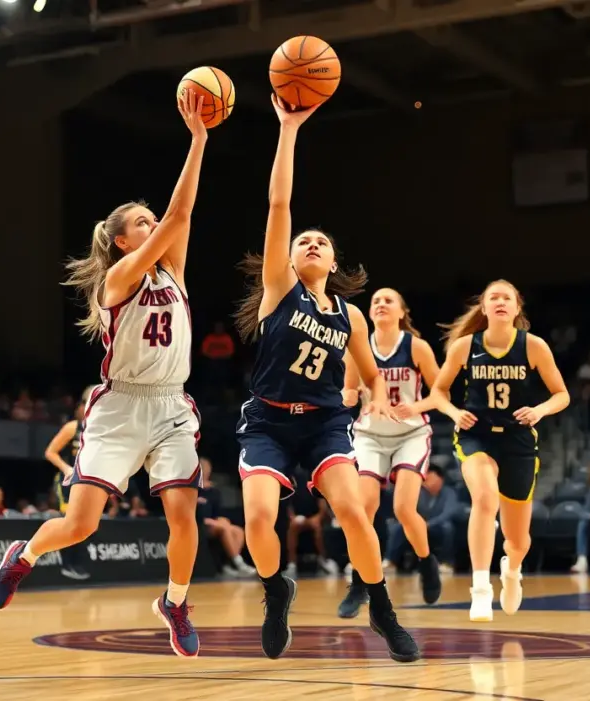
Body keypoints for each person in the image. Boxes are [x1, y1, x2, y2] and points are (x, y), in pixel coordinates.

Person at [0, 89, 209, 659]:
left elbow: (181, 217)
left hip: (171, 406)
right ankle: (24, 556)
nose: (155, 223)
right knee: (82, 524)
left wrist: (198, 145)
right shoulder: (119, 280)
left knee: (183, 516)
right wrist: (199, 138)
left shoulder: (172, 272)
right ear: (123, 240)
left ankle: (175, 602)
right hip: (119, 408)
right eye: (142, 221)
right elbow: (180, 215)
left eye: (152, 218)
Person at [232, 94, 419, 663]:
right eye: (302, 243)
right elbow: (279, 202)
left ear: (333, 263)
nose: (311, 243)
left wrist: (397, 407)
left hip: (323, 427)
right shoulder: (278, 290)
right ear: (289, 260)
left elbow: (373, 373)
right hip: (266, 420)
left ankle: (382, 609)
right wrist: (288, 129)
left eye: (321, 242)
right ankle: (275, 591)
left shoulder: (350, 316)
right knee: (261, 518)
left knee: (354, 511)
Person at [411, 280, 569, 622]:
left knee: (518, 541)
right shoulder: (466, 347)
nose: (499, 302)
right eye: (492, 297)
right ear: (483, 309)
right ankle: (480, 590)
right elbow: (438, 392)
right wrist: (455, 413)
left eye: (506, 298)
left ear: (516, 308)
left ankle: (512, 571)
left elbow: (562, 395)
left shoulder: (534, 347)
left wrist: (540, 410)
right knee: (484, 498)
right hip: (475, 436)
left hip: (518, 441)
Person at [338, 288, 443, 617]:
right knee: (362, 508)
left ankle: (427, 562)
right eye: (376, 301)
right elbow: (349, 392)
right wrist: (347, 395)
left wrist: (416, 406)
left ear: (401, 312)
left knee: (403, 509)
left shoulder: (417, 347)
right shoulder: (357, 348)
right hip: (370, 435)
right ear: (370, 314)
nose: (381, 304)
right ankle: (359, 582)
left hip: (410, 434)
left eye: (388, 300)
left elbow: (441, 393)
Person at [43, 386, 97, 580]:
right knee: (68, 521)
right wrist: (67, 469)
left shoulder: (99, 431)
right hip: (67, 483)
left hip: (87, 485)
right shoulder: (72, 427)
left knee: (84, 525)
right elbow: (50, 452)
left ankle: (75, 563)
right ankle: (67, 564)